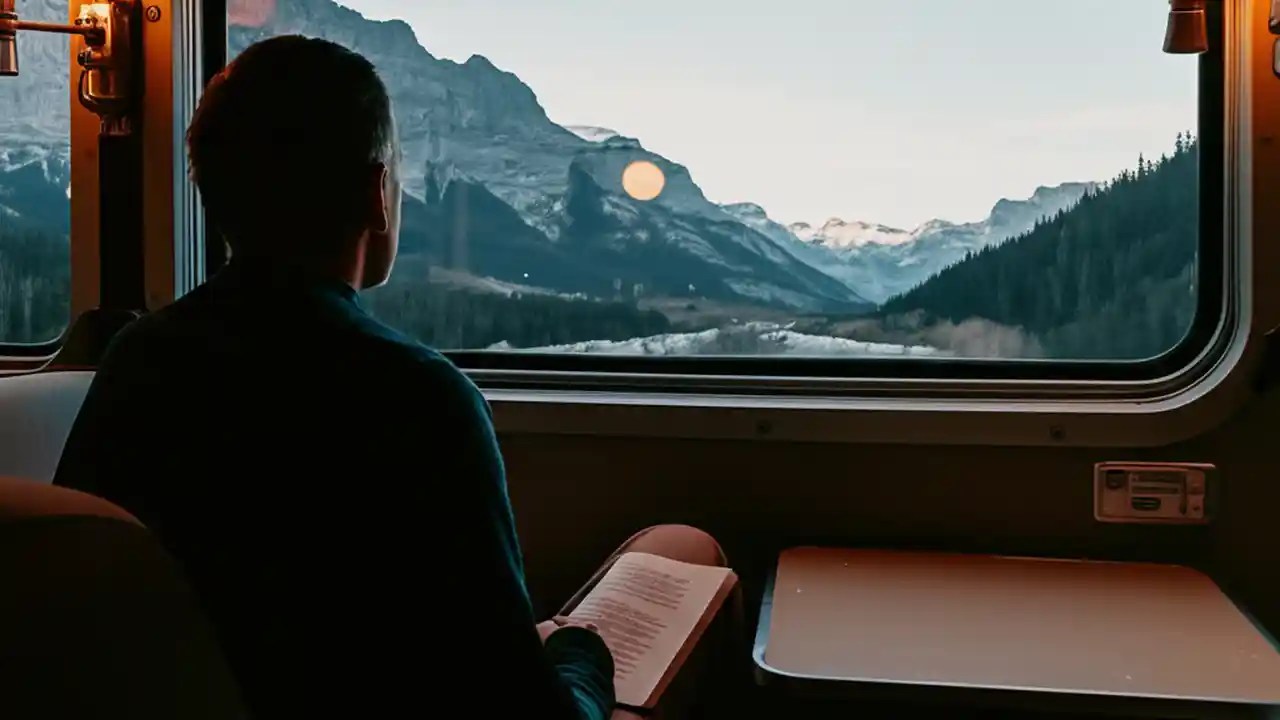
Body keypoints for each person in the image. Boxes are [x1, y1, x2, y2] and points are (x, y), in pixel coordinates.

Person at [53, 35, 738, 719]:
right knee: (685, 548)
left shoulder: (138, 362)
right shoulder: (417, 396)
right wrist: (581, 655)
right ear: (376, 194)